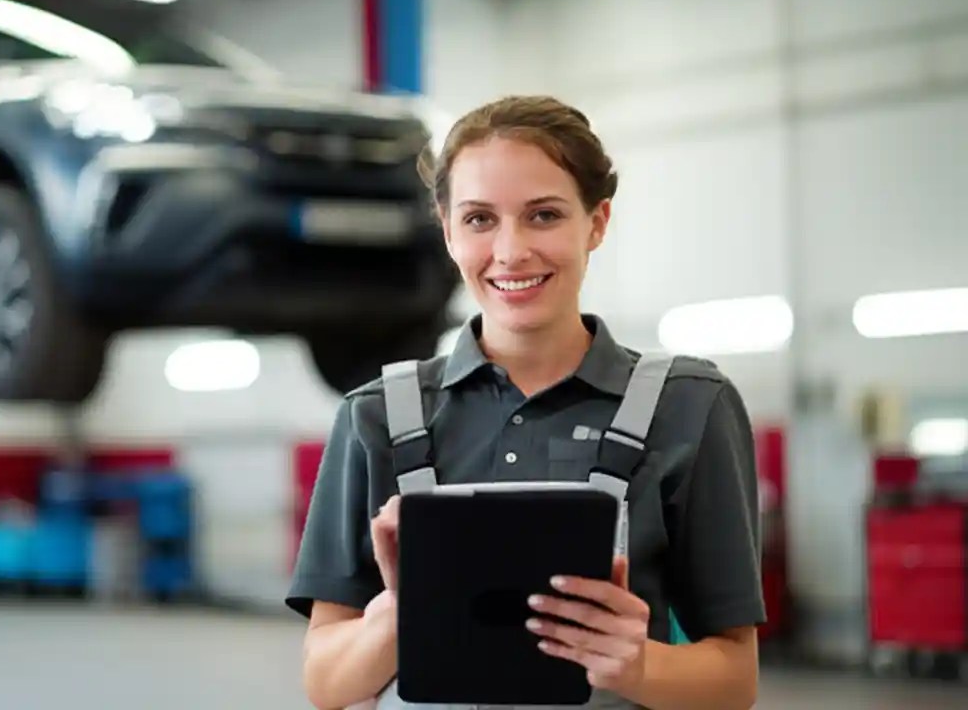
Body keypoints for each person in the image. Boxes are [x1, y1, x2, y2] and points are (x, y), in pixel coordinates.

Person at [286, 95, 764, 710]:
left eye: (543, 215)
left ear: (597, 222)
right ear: (448, 229)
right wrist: (404, 611)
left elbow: (734, 680)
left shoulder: (690, 407)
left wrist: (635, 664)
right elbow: (326, 683)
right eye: (480, 219)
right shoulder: (375, 416)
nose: (511, 252)